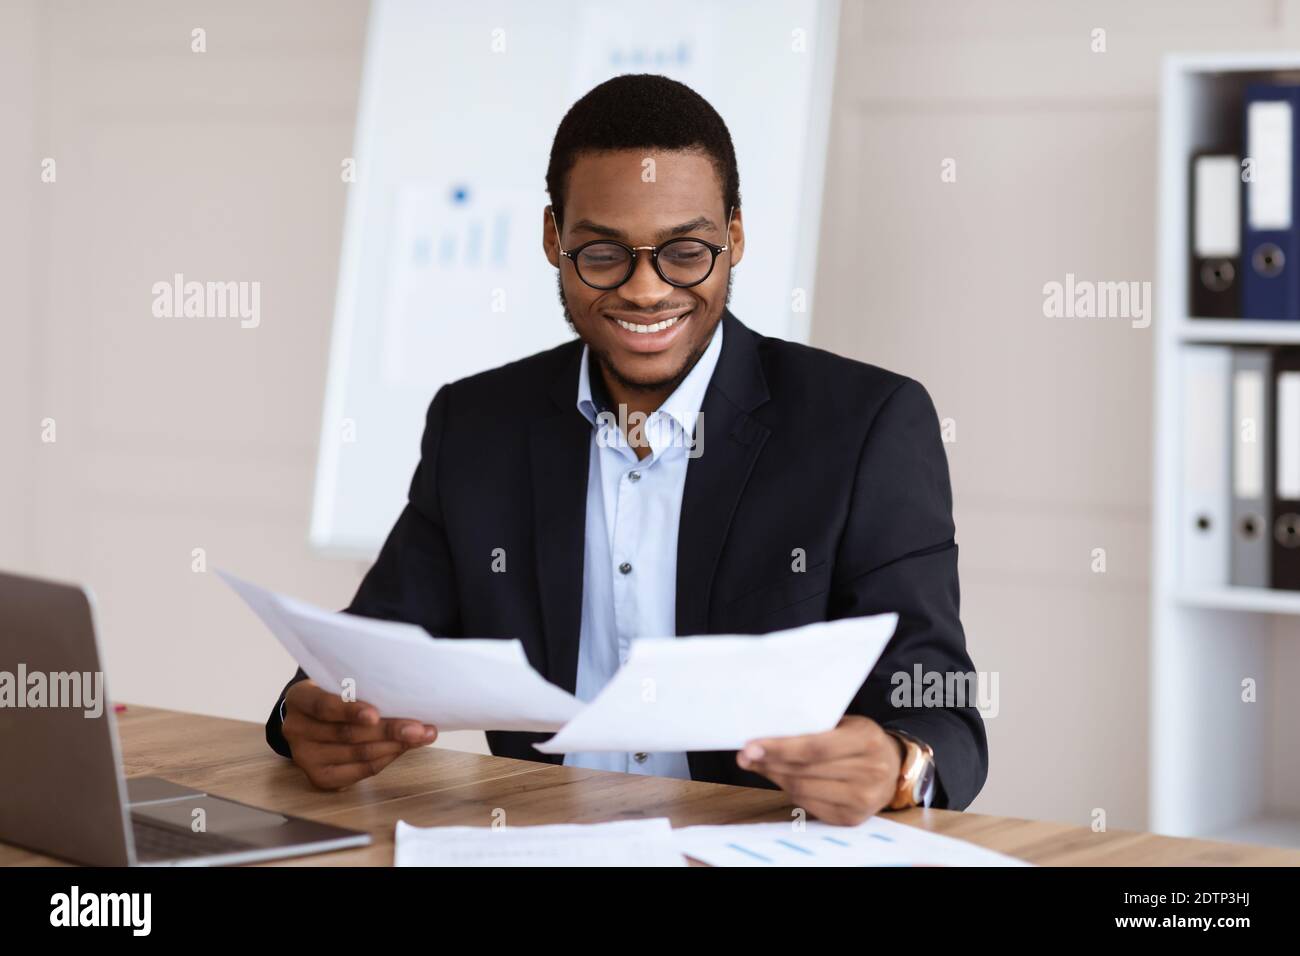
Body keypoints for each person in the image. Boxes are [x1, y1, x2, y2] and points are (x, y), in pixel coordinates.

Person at [266, 73, 987, 824]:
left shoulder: (867, 424)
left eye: (685, 252)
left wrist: (899, 762)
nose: (646, 292)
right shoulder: (477, 425)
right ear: (554, 239)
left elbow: (938, 701)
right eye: (604, 254)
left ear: (735, 235)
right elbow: (367, 653)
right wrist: (309, 717)